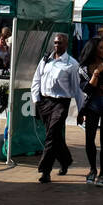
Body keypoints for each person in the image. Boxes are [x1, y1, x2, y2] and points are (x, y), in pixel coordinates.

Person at [30, 33, 85, 183]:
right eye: (55, 43)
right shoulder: (46, 59)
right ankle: (66, 160)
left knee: (51, 135)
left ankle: (45, 170)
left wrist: (82, 111)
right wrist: (36, 101)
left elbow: (77, 89)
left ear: (66, 45)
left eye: (60, 43)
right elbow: (36, 79)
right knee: (54, 136)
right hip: (45, 102)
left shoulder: (71, 64)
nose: (56, 45)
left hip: (61, 103)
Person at [77, 36, 103, 185]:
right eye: (100, 47)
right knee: (89, 140)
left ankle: (102, 174)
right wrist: (96, 73)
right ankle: (92, 169)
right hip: (92, 105)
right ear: (93, 49)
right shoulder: (83, 67)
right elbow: (87, 89)